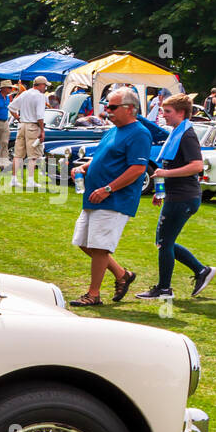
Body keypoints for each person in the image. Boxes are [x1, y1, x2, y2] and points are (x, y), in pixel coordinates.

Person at [66, 89, 150, 307]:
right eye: (107, 106)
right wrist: (83, 167)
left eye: (112, 107)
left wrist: (108, 189)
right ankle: (122, 274)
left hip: (114, 200)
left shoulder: (139, 133)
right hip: (94, 196)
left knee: (100, 247)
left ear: (130, 109)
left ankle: (93, 294)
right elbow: (101, 157)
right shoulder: (113, 130)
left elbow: (138, 168)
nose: (107, 111)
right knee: (84, 243)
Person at [137, 94, 215, 301]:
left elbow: (196, 166)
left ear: (181, 113)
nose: (163, 115)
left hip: (183, 197)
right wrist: (160, 190)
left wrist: (165, 174)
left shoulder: (187, 135)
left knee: (164, 243)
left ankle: (164, 289)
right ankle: (201, 271)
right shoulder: (177, 133)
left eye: (167, 111)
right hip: (176, 196)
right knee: (164, 242)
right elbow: (171, 163)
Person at [11, 75, 48, 189]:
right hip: (33, 126)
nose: (45, 88)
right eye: (45, 85)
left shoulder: (25, 93)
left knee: (18, 154)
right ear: (41, 85)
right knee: (33, 155)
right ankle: (30, 181)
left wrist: (18, 118)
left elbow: (11, 107)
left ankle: (14, 179)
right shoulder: (40, 96)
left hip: (22, 125)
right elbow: (39, 116)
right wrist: (42, 130)